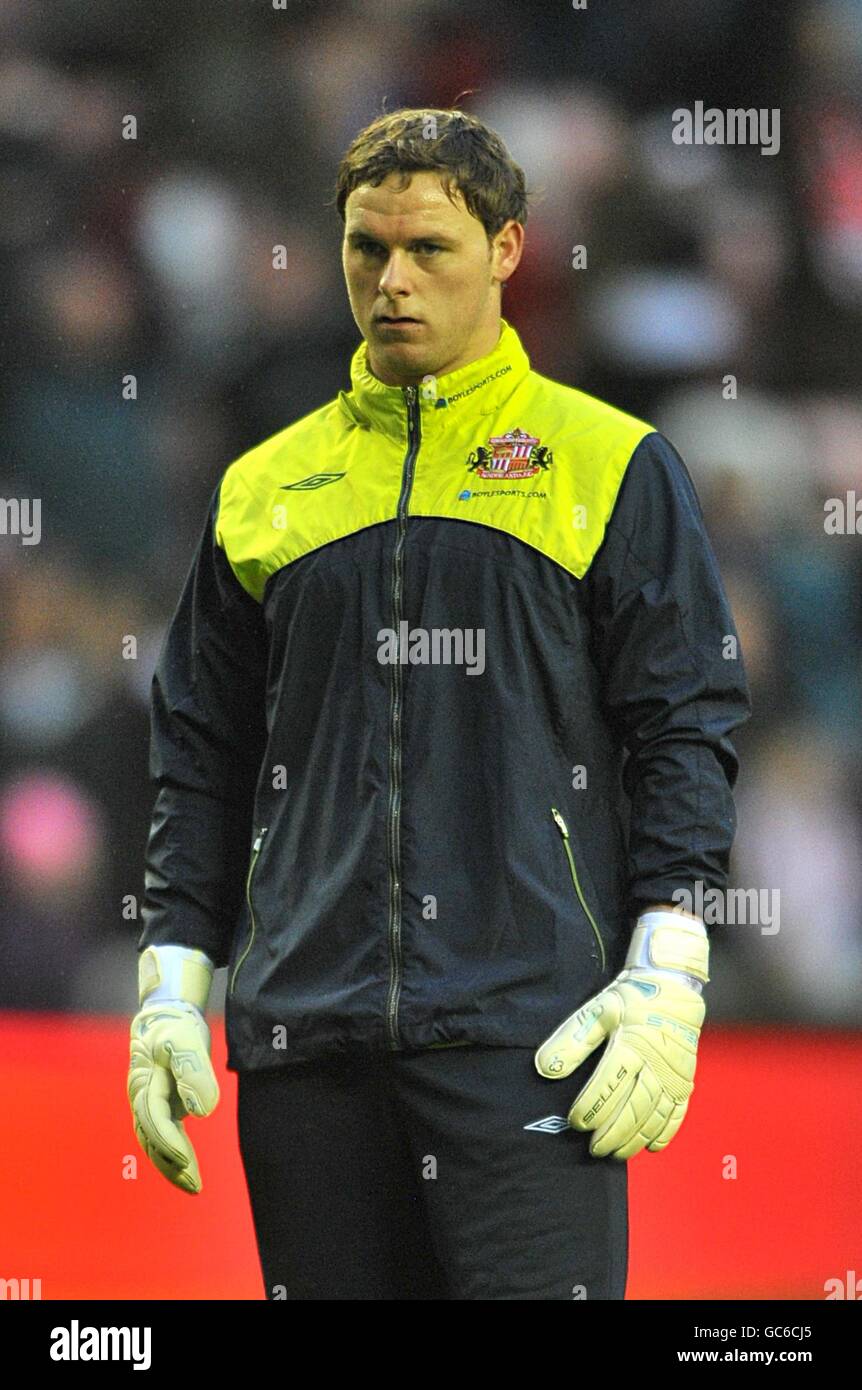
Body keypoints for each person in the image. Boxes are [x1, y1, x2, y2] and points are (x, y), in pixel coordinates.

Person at [128, 107, 751, 1300]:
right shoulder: (263, 487)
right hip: (305, 1044)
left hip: (531, 1038)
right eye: (368, 250)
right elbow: (201, 752)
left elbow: (684, 720)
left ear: (510, 249)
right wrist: (170, 982)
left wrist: (670, 957)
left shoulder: (607, 461)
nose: (391, 281)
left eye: (430, 250)